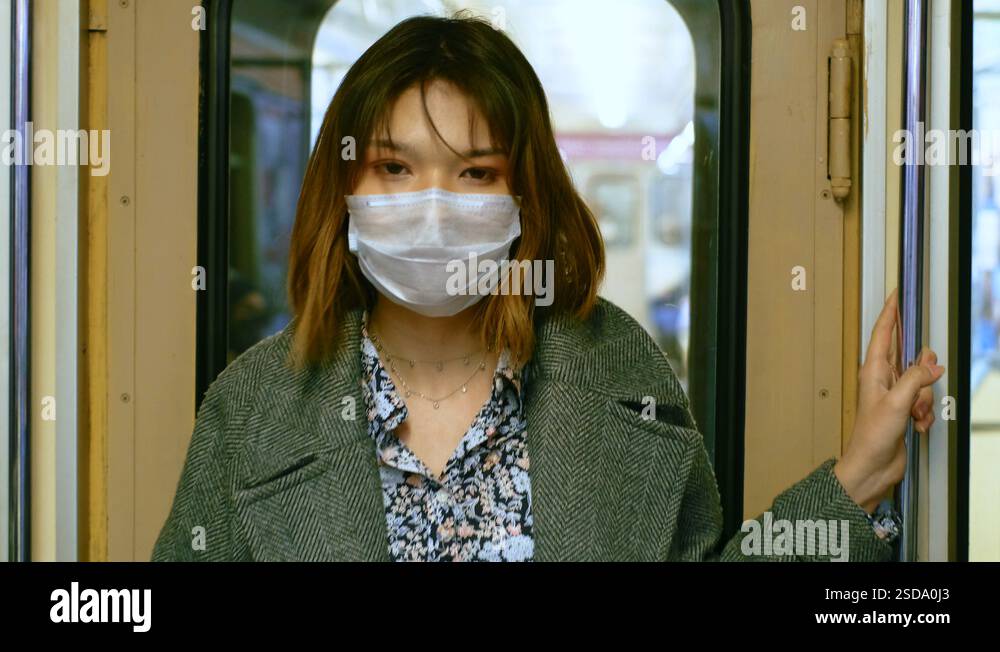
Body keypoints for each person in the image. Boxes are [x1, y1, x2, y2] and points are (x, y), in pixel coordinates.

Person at [151, 13, 943, 562]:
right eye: (395, 168)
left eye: (475, 172)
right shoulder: (253, 406)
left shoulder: (614, 364)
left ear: (523, 196)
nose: (433, 205)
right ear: (344, 184)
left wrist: (856, 481)